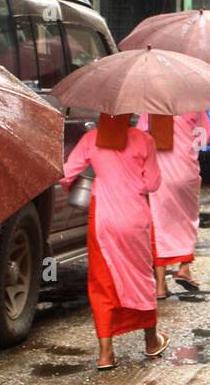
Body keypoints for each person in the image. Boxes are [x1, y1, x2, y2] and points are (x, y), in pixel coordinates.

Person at [64, 112, 169, 368]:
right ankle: (151, 341)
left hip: (103, 220)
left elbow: (66, 173)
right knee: (142, 276)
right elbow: (153, 183)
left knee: (103, 282)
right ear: (130, 113)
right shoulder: (145, 140)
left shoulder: (91, 139)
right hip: (135, 217)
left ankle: (105, 353)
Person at [137, 111, 210, 297]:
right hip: (186, 171)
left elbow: (140, 137)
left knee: (160, 225)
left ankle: (160, 286)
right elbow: (203, 139)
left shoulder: (151, 108)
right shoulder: (195, 105)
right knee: (188, 219)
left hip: (160, 171)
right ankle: (184, 268)